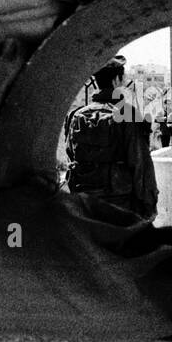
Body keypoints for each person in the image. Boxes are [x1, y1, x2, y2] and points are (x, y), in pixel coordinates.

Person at [63, 55, 158, 220]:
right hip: (120, 205)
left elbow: (71, 155)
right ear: (116, 81)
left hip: (85, 203)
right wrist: (149, 206)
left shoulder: (75, 115)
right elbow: (141, 165)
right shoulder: (127, 114)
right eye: (123, 79)